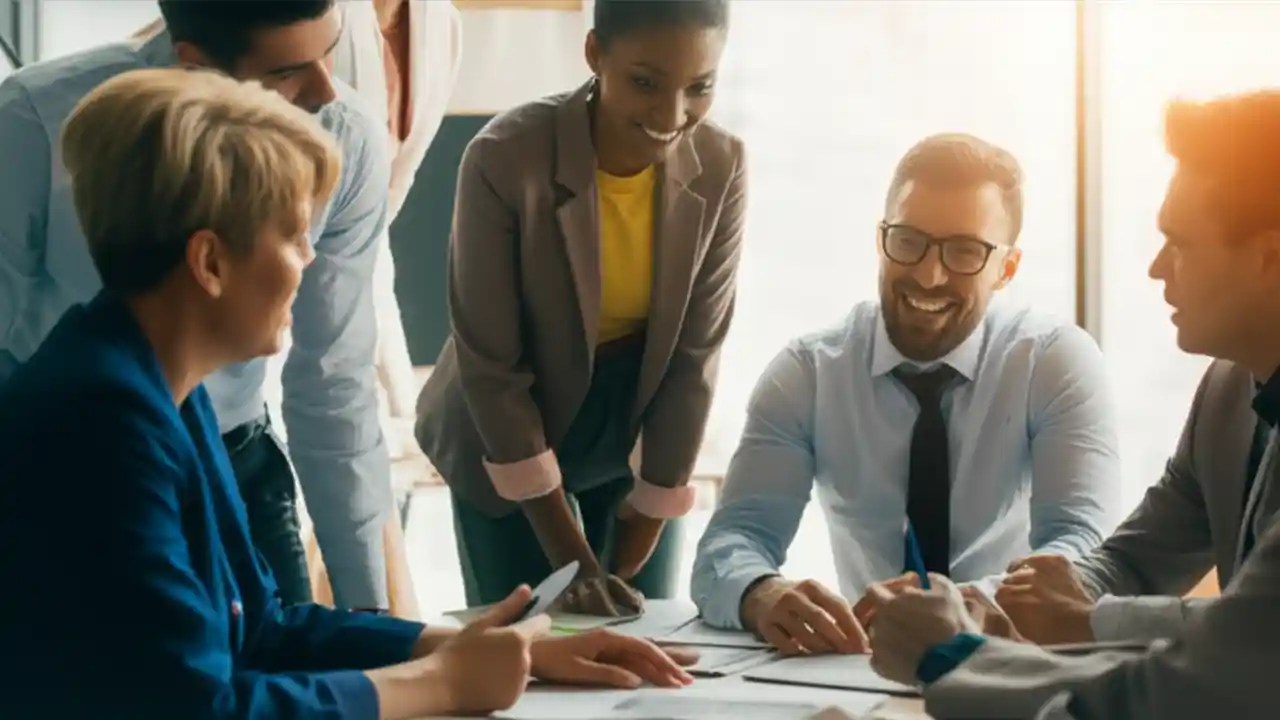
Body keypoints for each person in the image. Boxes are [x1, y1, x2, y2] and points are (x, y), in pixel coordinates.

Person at [0, 66, 696, 720]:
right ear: (210, 262)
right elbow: (197, 708)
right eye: (296, 236)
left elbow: (263, 626)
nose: (308, 261)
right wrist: (442, 682)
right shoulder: (102, 420)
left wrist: (466, 648)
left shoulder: (158, 388)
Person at [864, 90, 1280, 720]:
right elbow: (1135, 559)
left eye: (1180, 243)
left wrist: (953, 655)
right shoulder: (1227, 388)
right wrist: (1001, 605)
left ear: (1271, 257)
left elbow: (1217, 669)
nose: (1155, 269)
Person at [0, 0, 396, 609]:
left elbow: (333, 381)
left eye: (331, 50)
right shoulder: (36, 122)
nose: (327, 92)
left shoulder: (346, 135)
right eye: (288, 71)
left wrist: (378, 620)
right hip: (73, 466)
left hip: (234, 460)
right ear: (196, 63)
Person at [691, 133, 1121, 655]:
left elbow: (1083, 550)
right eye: (909, 240)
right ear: (881, 239)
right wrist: (762, 593)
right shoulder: (808, 374)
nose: (928, 274)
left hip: (1018, 658)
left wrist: (964, 606)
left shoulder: (1053, 362)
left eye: (965, 251)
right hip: (866, 666)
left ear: (1006, 269)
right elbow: (732, 542)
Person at [416, 0, 745, 614]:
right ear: (595, 55)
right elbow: (491, 367)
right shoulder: (503, 158)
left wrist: (647, 515)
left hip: (631, 418)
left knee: (646, 641)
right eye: (645, 82)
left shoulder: (723, 165)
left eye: (699, 87)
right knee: (532, 649)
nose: (673, 115)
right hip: (506, 421)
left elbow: (694, 356)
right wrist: (577, 562)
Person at [297, 0, 464, 618]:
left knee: (367, 479)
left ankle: (366, 637)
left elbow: (384, 197)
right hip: (268, 272)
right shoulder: (312, 17)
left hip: (357, 269)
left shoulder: (440, 26)